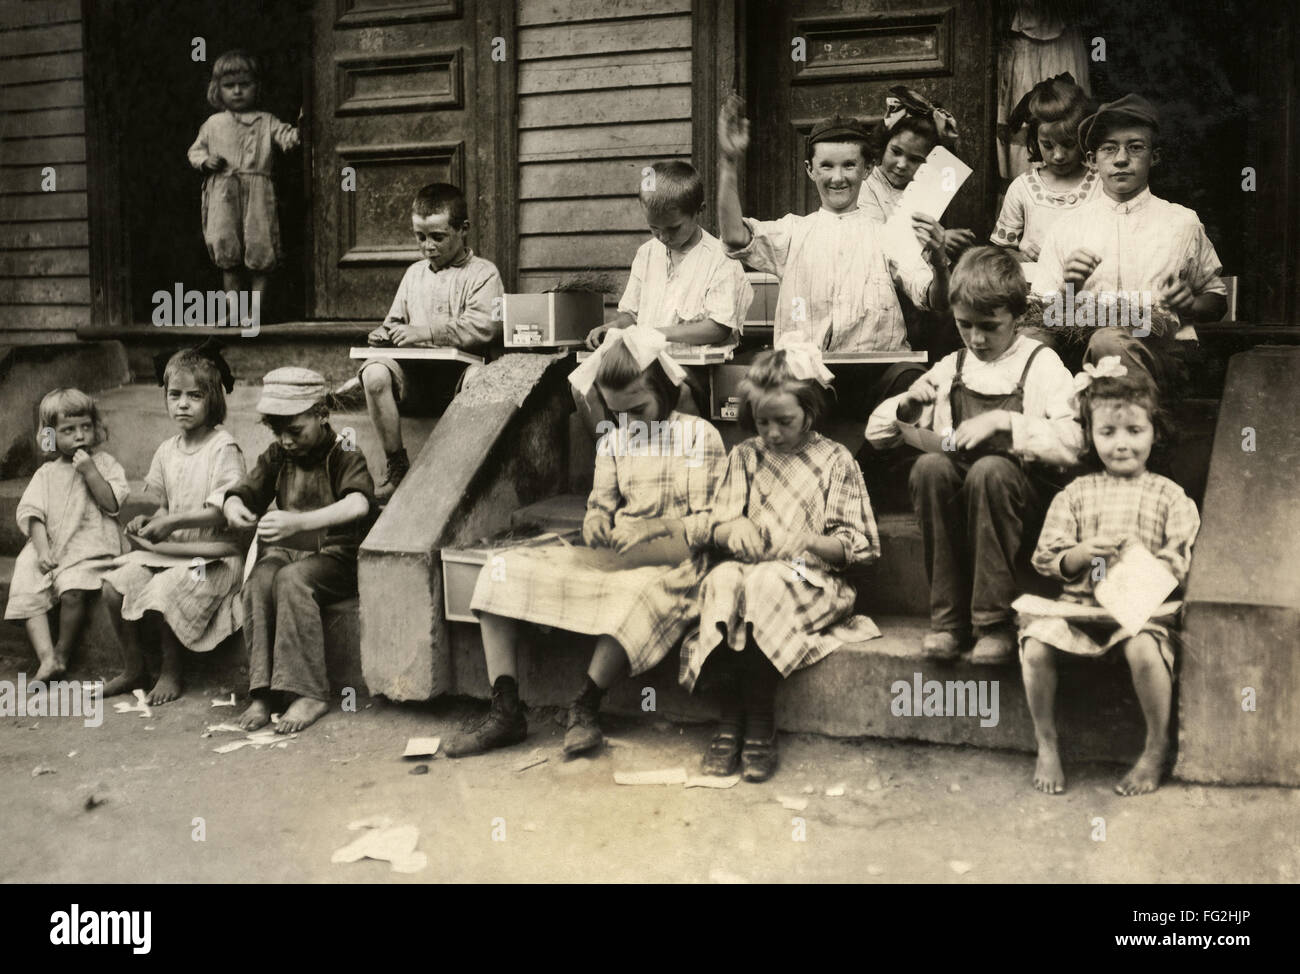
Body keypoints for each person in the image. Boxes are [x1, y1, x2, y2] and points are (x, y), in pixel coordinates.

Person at [446, 327, 727, 757]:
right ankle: (505, 709)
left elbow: (706, 523)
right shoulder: (614, 441)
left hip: (677, 558)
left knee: (634, 593)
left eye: (639, 408)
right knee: (501, 570)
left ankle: (585, 705)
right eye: (618, 413)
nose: (630, 422)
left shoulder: (698, 436)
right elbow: (600, 505)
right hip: (619, 552)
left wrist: (651, 532)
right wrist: (597, 521)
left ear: (667, 390)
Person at [866, 247, 1083, 662]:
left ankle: (994, 622)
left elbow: (1075, 442)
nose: (977, 338)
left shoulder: (1041, 364)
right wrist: (908, 406)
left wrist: (1008, 425)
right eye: (965, 326)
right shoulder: (955, 365)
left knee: (989, 471)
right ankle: (948, 622)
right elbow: (877, 436)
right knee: (930, 466)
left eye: (989, 327)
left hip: (1020, 500)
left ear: (1017, 318)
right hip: (962, 502)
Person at [682, 343, 881, 782]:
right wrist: (737, 531)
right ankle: (729, 718)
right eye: (762, 421)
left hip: (814, 581)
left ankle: (757, 722)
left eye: (784, 421)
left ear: (809, 413)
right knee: (724, 579)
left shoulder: (835, 461)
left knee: (766, 584)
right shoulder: (745, 457)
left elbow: (858, 546)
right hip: (755, 574)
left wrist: (809, 540)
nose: (771, 433)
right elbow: (722, 523)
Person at [1018, 361, 1199, 796]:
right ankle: (1047, 742)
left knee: (1143, 646)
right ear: (1090, 435)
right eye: (1108, 433)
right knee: (1036, 643)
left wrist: (1138, 565)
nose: (1122, 445)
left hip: (1140, 612)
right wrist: (1079, 554)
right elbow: (1046, 558)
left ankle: (1156, 747)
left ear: (1154, 431)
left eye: (1134, 431)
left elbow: (1177, 560)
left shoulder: (1170, 496)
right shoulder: (1076, 494)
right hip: (1079, 609)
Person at [715, 95, 949, 419]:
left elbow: (934, 298)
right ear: (810, 170)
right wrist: (728, 163)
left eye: (849, 165)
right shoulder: (793, 232)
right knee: (778, 389)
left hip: (876, 377)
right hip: (808, 381)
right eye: (827, 165)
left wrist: (938, 261)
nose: (838, 177)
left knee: (910, 380)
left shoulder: (888, 235)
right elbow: (734, 236)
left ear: (867, 169)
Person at [1033, 94, 1227, 391]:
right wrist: (1069, 289)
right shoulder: (1065, 228)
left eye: (1135, 147)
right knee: (1030, 343)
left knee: (1108, 340)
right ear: (1091, 161)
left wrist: (1190, 305)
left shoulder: (1181, 222)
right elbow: (1043, 316)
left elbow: (1216, 301)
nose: (1121, 159)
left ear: (1155, 156)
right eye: (1109, 149)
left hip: (1159, 354)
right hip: (1079, 355)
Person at [223, 368, 376, 734]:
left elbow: (358, 504)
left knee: (291, 581)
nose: (286, 441)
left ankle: (309, 692)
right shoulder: (277, 455)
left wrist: (297, 522)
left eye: (295, 430)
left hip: (337, 555)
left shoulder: (345, 451)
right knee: (260, 581)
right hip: (289, 551)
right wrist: (234, 506)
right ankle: (263, 692)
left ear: (322, 414)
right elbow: (245, 491)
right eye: (278, 432)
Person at [102, 344, 247, 703]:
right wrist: (150, 521)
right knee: (114, 585)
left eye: (194, 396)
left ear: (213, 399)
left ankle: (171, 670)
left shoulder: (223, 448)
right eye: (175, 395)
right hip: (172, 550)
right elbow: (166, 507)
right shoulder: (167, 450)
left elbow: (224, 510)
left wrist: (172, 524)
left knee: (166, 589)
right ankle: (134, 667)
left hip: (211, 557)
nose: (182, 404)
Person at [578, 160, 752, 431]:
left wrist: (658, 334)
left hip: (697, 371)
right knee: (584, 386)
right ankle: (614, 455)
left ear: (699, 212)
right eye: (654, 228)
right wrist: (612, 326)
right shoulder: (647, 254)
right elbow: (631, 315)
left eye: (673, 228)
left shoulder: (721, 258)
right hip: (646, 364)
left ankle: (683, 458)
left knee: (669, 391)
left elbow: (717, 328)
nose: (663, 237)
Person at [359, 182, 504, 499]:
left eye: (438, 237)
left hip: (458, 378)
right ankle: (396, 464)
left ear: (463, 229)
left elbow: (487, 326)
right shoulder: (414, 274)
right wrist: (385, 335)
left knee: (481, 379)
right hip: (416, 379)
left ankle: (463, 470)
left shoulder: (483, 273)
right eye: (420, 236)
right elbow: (395, 321)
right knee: (374, 373)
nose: (427, 246)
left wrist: (428, 332)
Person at [5, 389, 128, 681]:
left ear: (95, 427)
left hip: (91, 542)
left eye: (86, 427)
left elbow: (111, 503)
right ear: (50, 436)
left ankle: (63, 652)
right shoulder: (45, 473)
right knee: (26, 574)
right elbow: (33, 514)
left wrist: (90, 472)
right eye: (68, 430)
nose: (80, 435)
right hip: (50, 543)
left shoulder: (106, 464)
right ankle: (46, 656)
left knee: (73, 589)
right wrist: (42, 550)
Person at [187, 49, 301, 325]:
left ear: (256, 86)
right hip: (223, 194)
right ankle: (234, 311)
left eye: (244, 84)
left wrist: (300, 129)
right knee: (228, 253)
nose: (237, 91)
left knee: (259, 249)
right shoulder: (213, 124)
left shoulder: (266, 120)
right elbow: (195, 152)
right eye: (229, 86)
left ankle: (256, 313)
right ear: (218, 89)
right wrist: (205, 161)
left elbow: (289, 138)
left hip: (257, 193)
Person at [859, 85, 976, 263]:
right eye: (896, 152)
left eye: (915, 160)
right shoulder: (865, 185)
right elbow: (878, 242)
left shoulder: (924, 190)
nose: (901, 165)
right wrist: (938, 238)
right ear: (883, 145)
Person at [992, 73, 1100, 262]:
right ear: (1035, 140)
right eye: (1048, 146)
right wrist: (1019, 257)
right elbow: (1001, 250)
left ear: (1083, 139)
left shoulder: (1099, 185)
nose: (1058, 155)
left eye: (1068, 144)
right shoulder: (1022, 188)